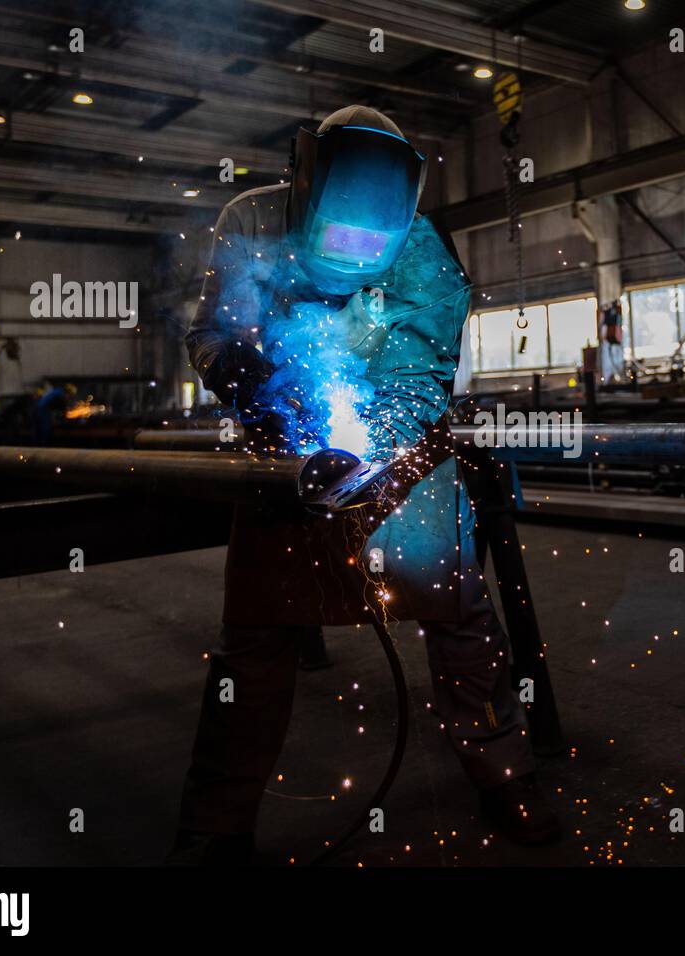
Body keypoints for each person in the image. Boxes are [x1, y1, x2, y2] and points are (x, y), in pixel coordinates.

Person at [171, 105, 561, 864]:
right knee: (255, 637)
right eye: (334, 242)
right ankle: (215, 826)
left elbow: (423, 366)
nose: (352, 260)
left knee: (461, 616)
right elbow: (207, 334)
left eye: (368, 249)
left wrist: (389, 446)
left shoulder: (420, 244)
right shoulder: (250, 219)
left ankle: (504, 774)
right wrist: (237, 370)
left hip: (398, 457)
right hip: (286, 464)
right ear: (305, 183)